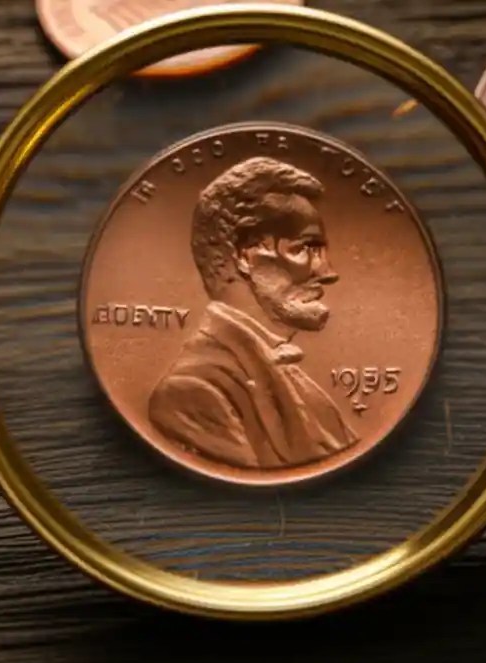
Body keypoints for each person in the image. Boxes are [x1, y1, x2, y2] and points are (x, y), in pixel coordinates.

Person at [148, 156, 359, 469]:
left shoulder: (295, 380)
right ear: (244, 255)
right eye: (304, 249)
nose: (328, 272)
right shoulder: (193, 390)